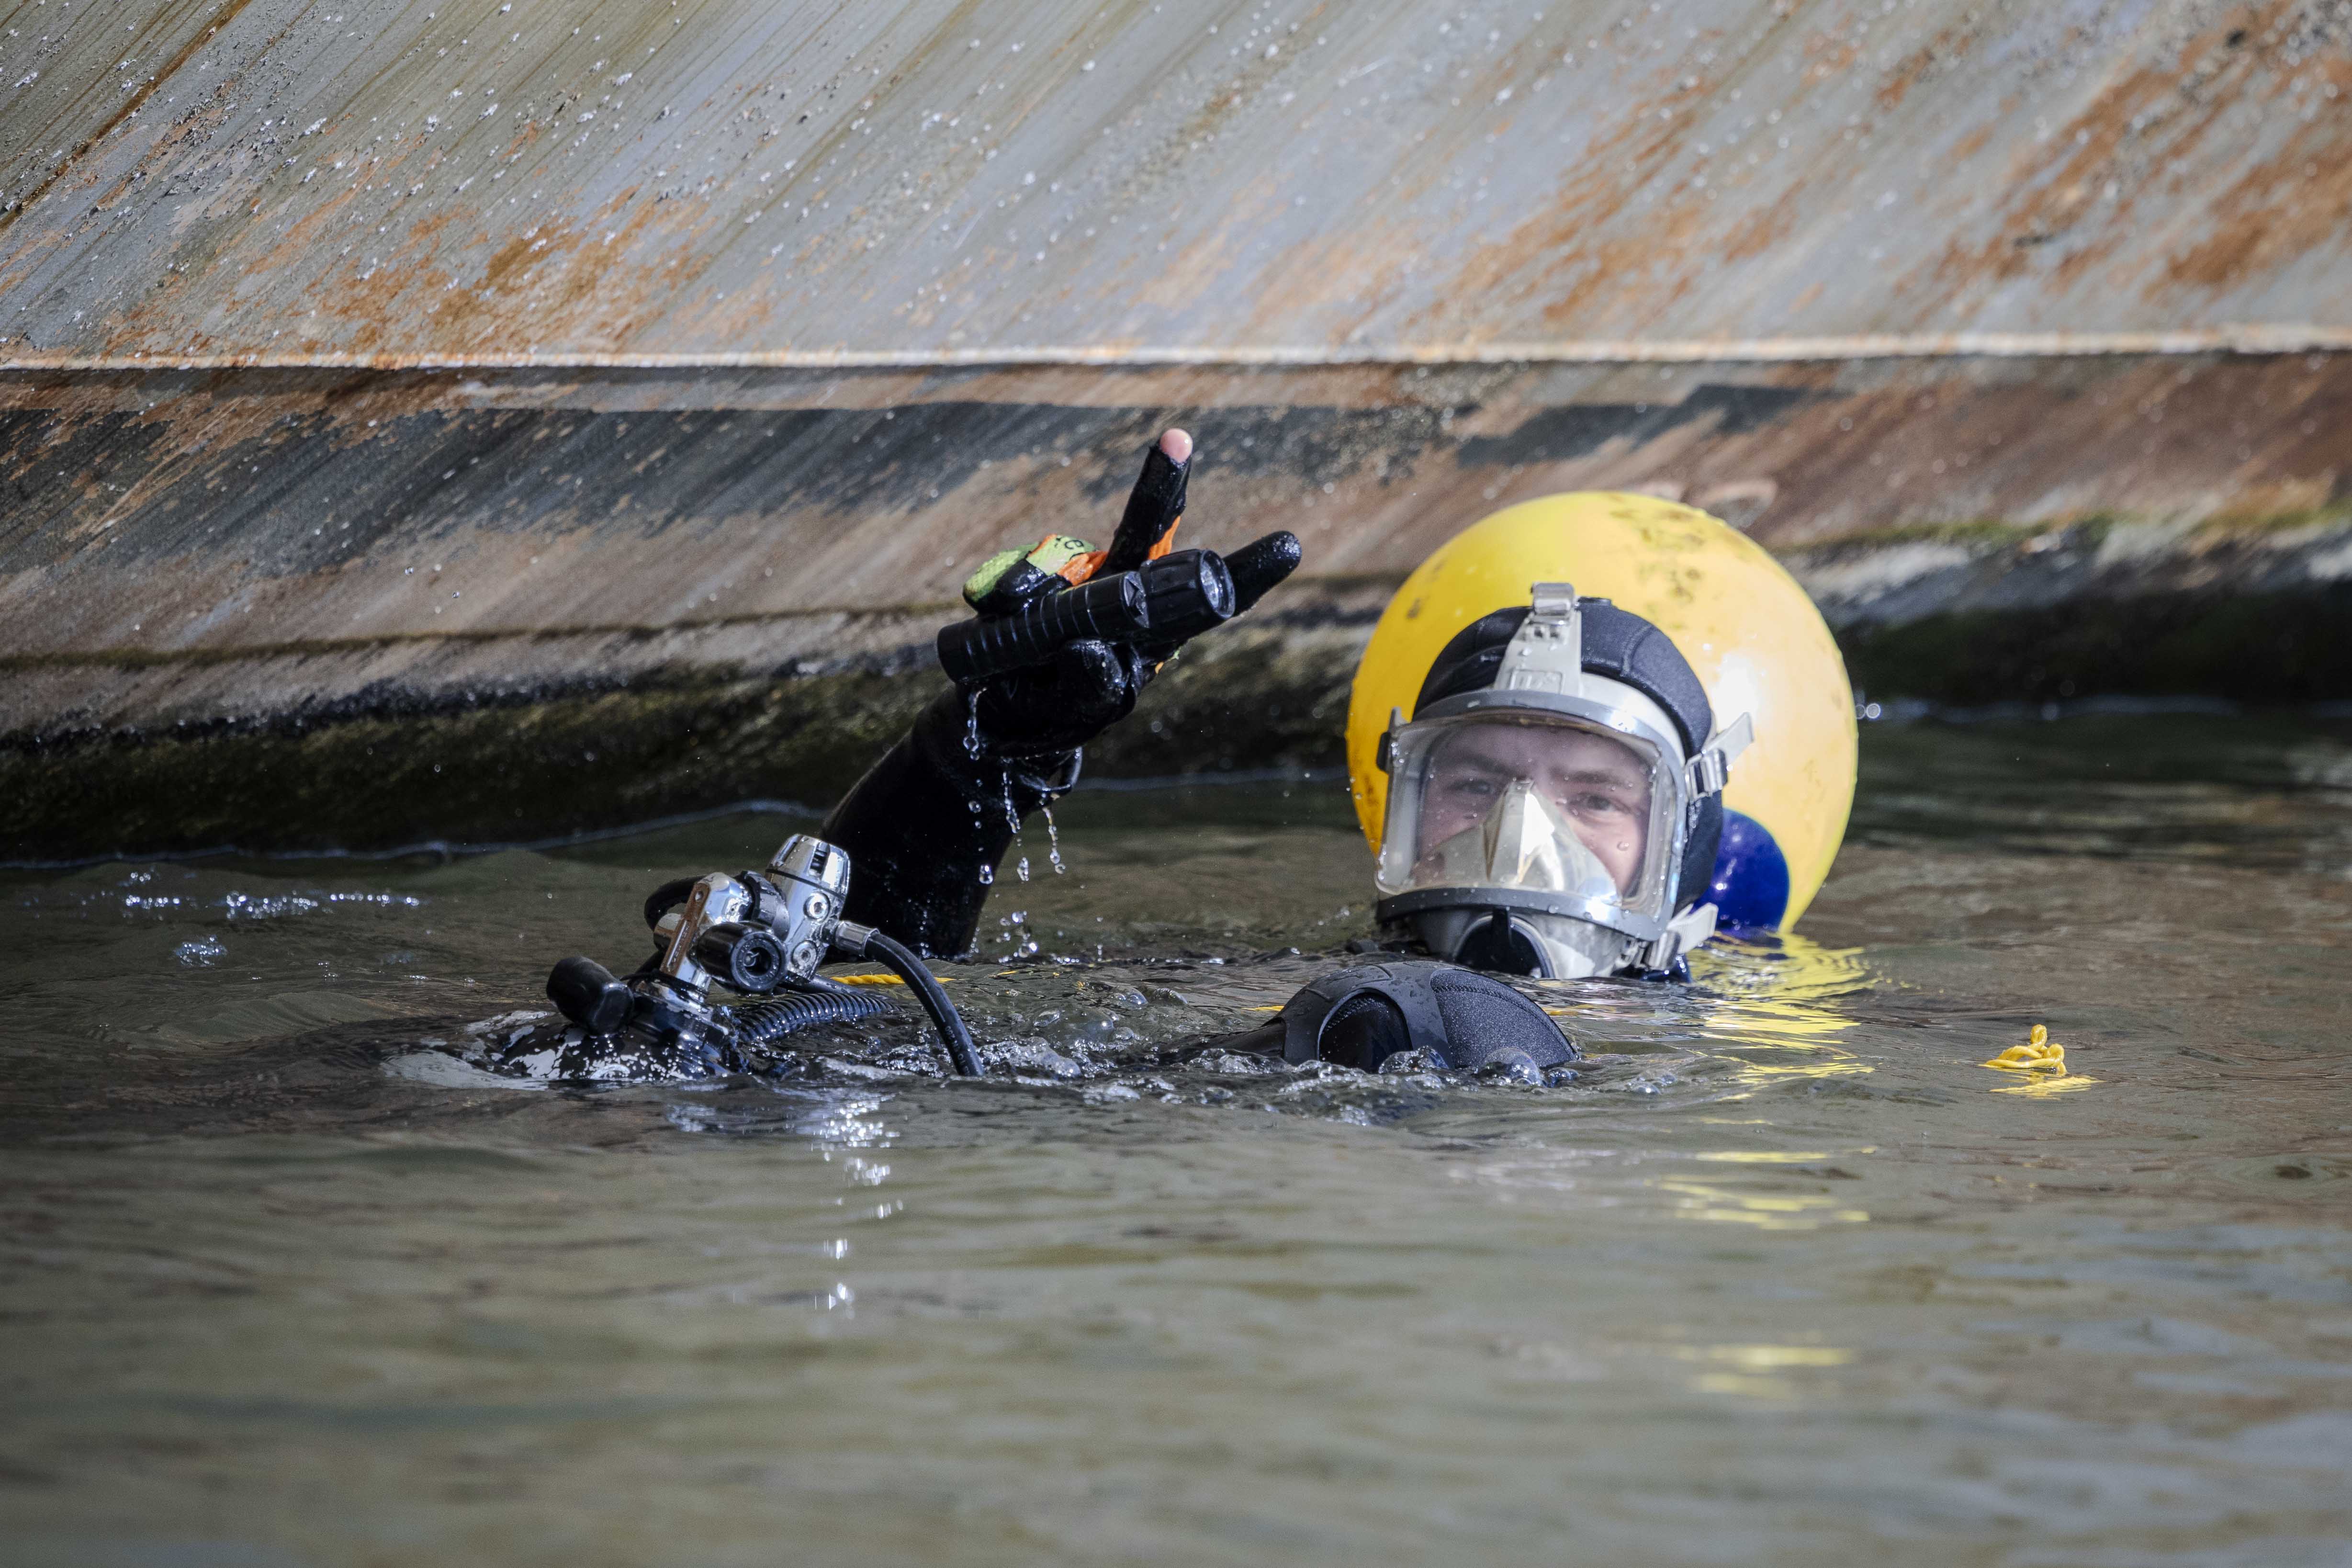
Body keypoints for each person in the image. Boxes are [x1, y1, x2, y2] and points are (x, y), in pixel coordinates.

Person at [823, 438, 1856, 1070]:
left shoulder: (1771, 1046)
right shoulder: (1248, 989)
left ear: (1679, 846)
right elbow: (840, 1011)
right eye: (1475, 782)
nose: (1518, 838)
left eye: (1594, 799)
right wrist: (977, 760)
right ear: (1401, 804)